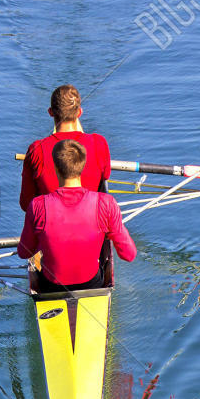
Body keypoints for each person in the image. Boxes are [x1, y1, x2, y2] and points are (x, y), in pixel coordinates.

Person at [18, 139, 136, 293]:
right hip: (92, 284)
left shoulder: (37, 205)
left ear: (55, 168)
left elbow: (23, 252)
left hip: (51, 286)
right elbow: (129, 255)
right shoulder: (106, 203)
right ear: (83, 166)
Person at [19, 84, 112, 211]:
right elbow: (105, 175)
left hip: (50, 225)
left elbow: (26, 203)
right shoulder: (99, 143)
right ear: (79, 112)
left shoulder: (36, 149)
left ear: (50, 112)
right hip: (90, 221)